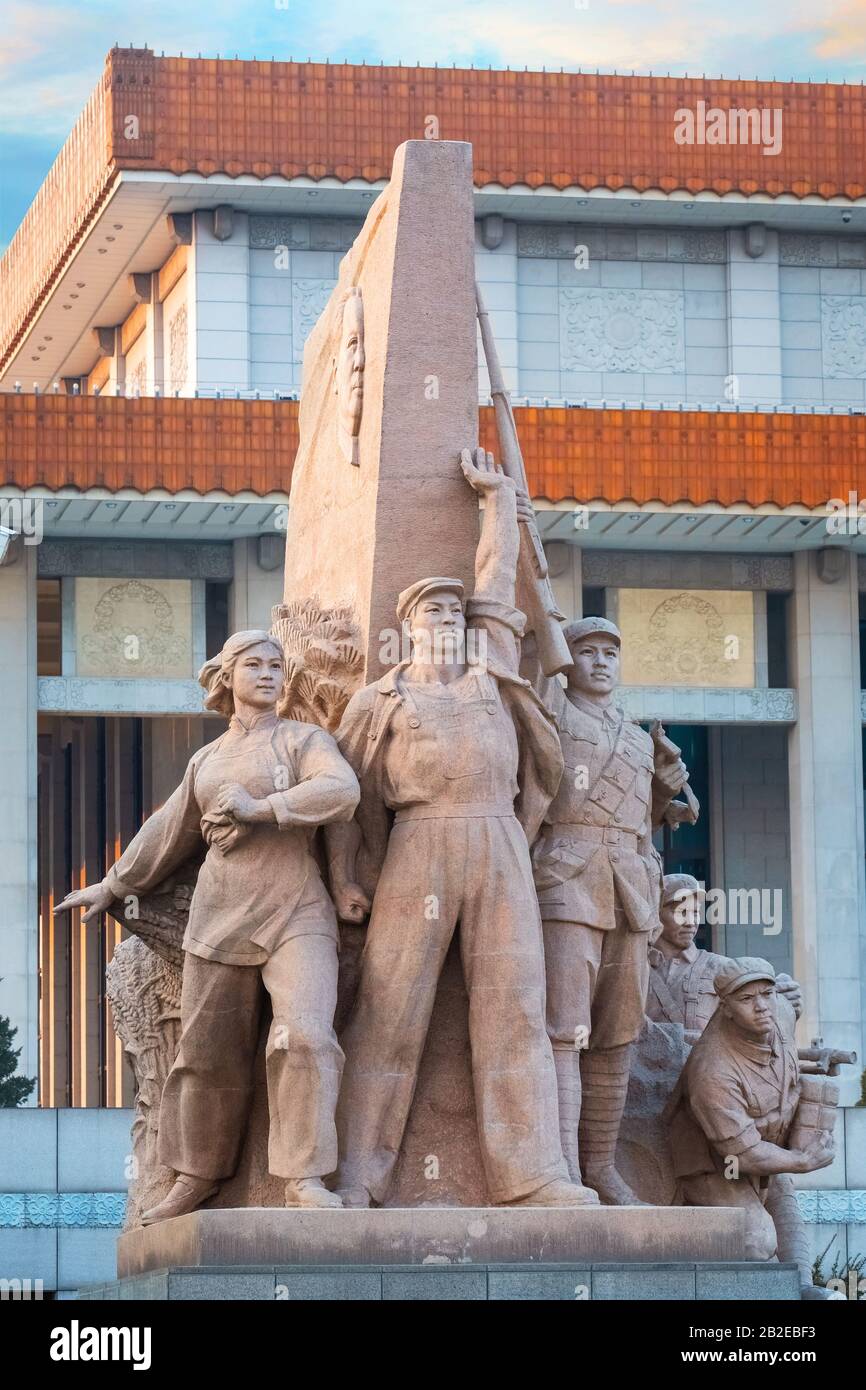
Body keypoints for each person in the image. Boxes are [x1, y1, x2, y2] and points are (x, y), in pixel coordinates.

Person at [327, 446, 597, 1209]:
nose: (446, 617)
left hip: (497, 843)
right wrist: (347, 878)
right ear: (406, 628)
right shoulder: (378, 702)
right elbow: (346, 799)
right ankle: (358, 1176)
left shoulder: (492, 675)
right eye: (429, 611)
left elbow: (493, 578)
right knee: (389, 1011)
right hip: (418, 845)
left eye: (452, 610)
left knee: (515, 1009)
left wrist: (497, 498)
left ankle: (533, 1175)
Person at [56, 630, 360, 1220]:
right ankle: (195, 1175)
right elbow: (168, 832)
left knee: (305, 1037)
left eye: (276, 665)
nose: (268, 673)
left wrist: (263, 809)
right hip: (219, 916)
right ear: (228, 678)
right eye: (254, 665)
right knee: (204, 1053)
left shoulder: (304, 739)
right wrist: (113, 885)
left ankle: (305, 1175)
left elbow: (341, 790)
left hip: (298, 908)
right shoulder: (207, 759)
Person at [533, 617, 691, 1204]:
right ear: (568, 660)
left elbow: (645, 816)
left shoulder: (635, 732)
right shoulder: (550, 713)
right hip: (567, 879)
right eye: (588, 651)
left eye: (610, 653)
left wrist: (667, 786)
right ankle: (562, 1169)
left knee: (617, 1034)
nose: (600, 662)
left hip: (632, 887)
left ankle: (601, 1165)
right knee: (565, 1029)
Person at [669, 957, 838, 1301]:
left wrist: (813, 1060)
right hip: (715, 1162)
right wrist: (801, 1161)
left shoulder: (781, 1015)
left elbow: (782, 1041)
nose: (762, 1007)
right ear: (726, 1008)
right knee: (759, 1240)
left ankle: (803, 1291)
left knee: (788, 1219)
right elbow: (741, 1154)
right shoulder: (712, 1070)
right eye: (747, 999)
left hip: (767, 1145)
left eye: (767, 993)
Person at [648, 874, 802, 1044]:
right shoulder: (635, 968)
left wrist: (785, 1004)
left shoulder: (721, 968)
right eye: (681, 912)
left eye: (695, 912)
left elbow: (760, 1024)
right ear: (656, 914)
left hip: (708, 1069)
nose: (691, 922)